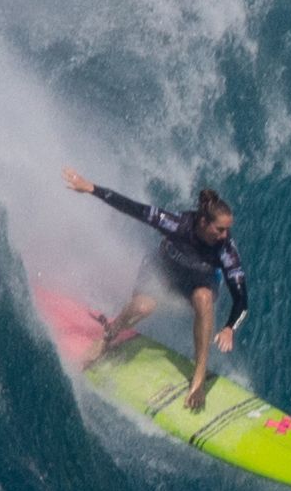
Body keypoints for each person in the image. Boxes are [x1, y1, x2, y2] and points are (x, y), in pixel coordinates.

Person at [62, 168, 247, 411]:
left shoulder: (225, 250)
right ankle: (106, 339)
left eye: (227, 230)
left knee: (203, 299)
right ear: (204, 222)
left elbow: (241, 299)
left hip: (198, 283)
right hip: (162, 273)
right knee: (143, 306)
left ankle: (198, 378)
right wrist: (92, 189)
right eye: (220, 229)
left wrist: (229, 328)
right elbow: (133, 208)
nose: (226, 235)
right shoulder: (177, 224)